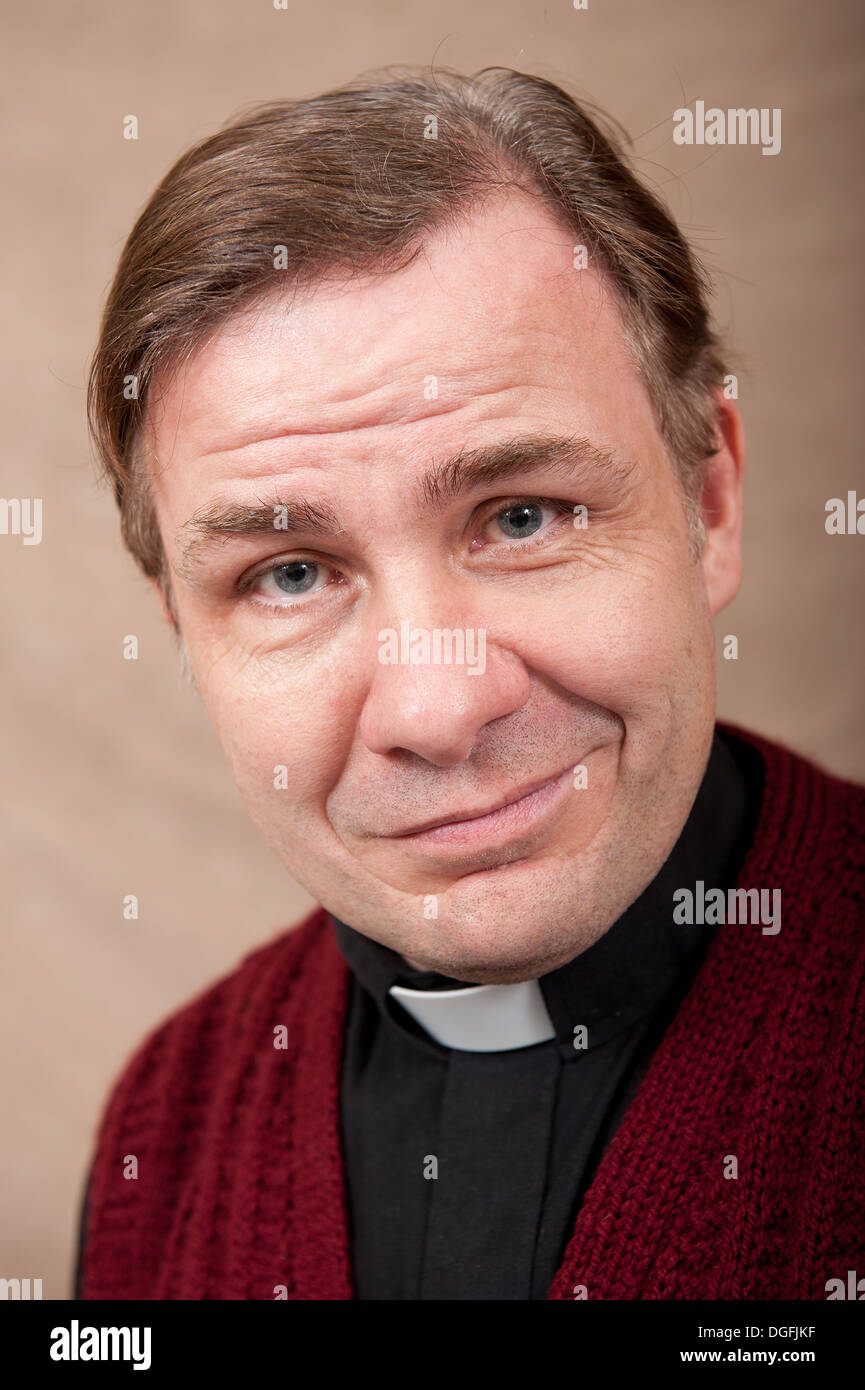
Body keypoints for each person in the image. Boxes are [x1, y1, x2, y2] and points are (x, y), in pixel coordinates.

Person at [75, 65, 864, 1300]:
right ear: (182, 629)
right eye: (289, 574)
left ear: (707, 500)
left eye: (522, 515)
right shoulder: (160, 1134)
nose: (439, 711)